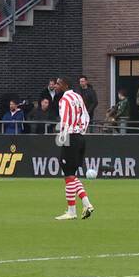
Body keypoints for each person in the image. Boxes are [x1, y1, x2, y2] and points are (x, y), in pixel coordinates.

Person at [52, 78, 94, 221]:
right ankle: (86, 205)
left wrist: (61, 137)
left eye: (58, 84)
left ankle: (72, 211)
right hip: (81, 137)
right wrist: (82, 131)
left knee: (68, 174)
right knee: (71, 175)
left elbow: (64, 120)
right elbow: (86, 116)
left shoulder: (64, 100)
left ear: (64, 85)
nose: (55, 86)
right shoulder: (78, 96)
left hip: (70, 136)